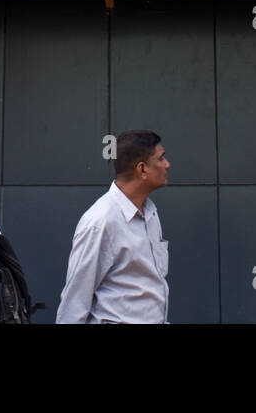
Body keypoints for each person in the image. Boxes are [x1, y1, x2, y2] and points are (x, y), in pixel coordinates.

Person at [56, 130, 170, 324]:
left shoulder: (150, 212)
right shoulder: (100, 221)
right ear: (142, 170)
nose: (167, 165)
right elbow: (74, 301)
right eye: (161, 159)